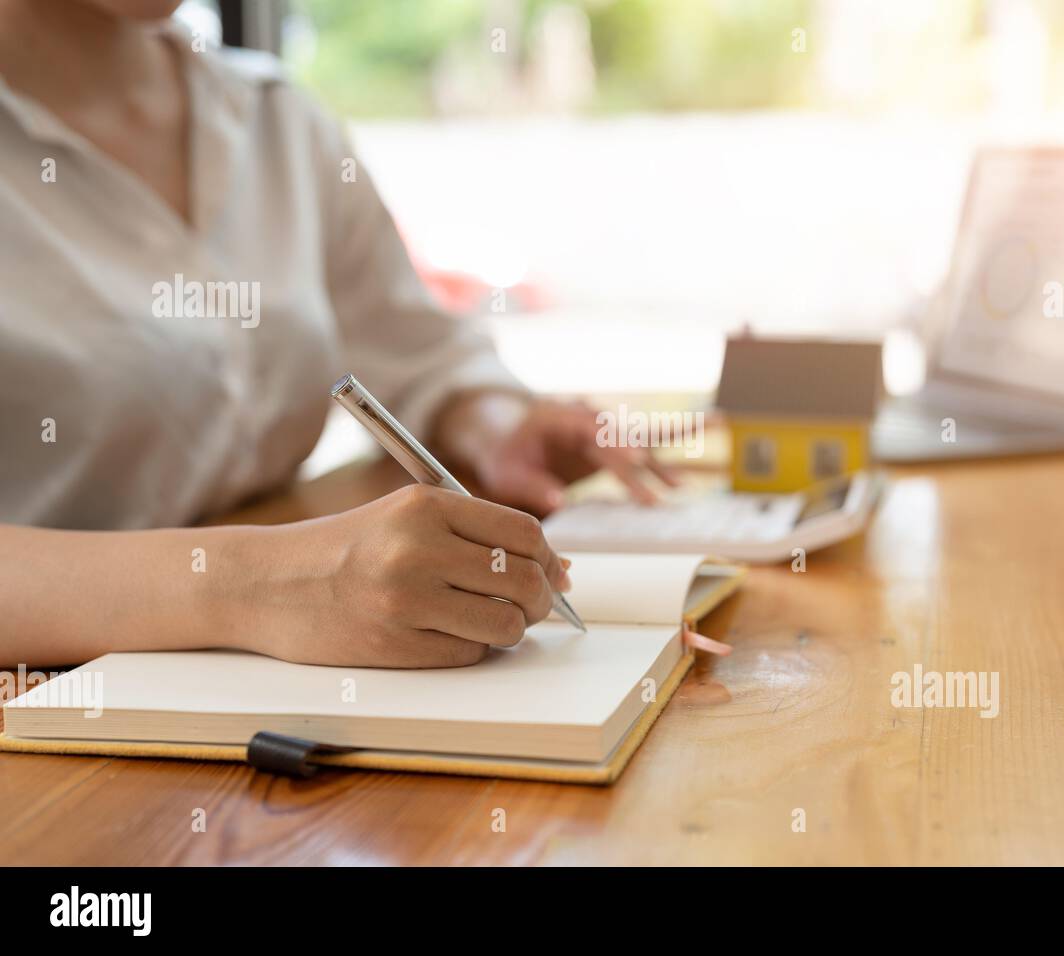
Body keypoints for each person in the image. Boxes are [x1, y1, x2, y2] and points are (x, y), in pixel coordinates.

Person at [0, 0, 672, 669]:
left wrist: (497, 424)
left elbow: (420, 350)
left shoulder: (275, 117)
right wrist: (261, 582)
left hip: (252, 681)